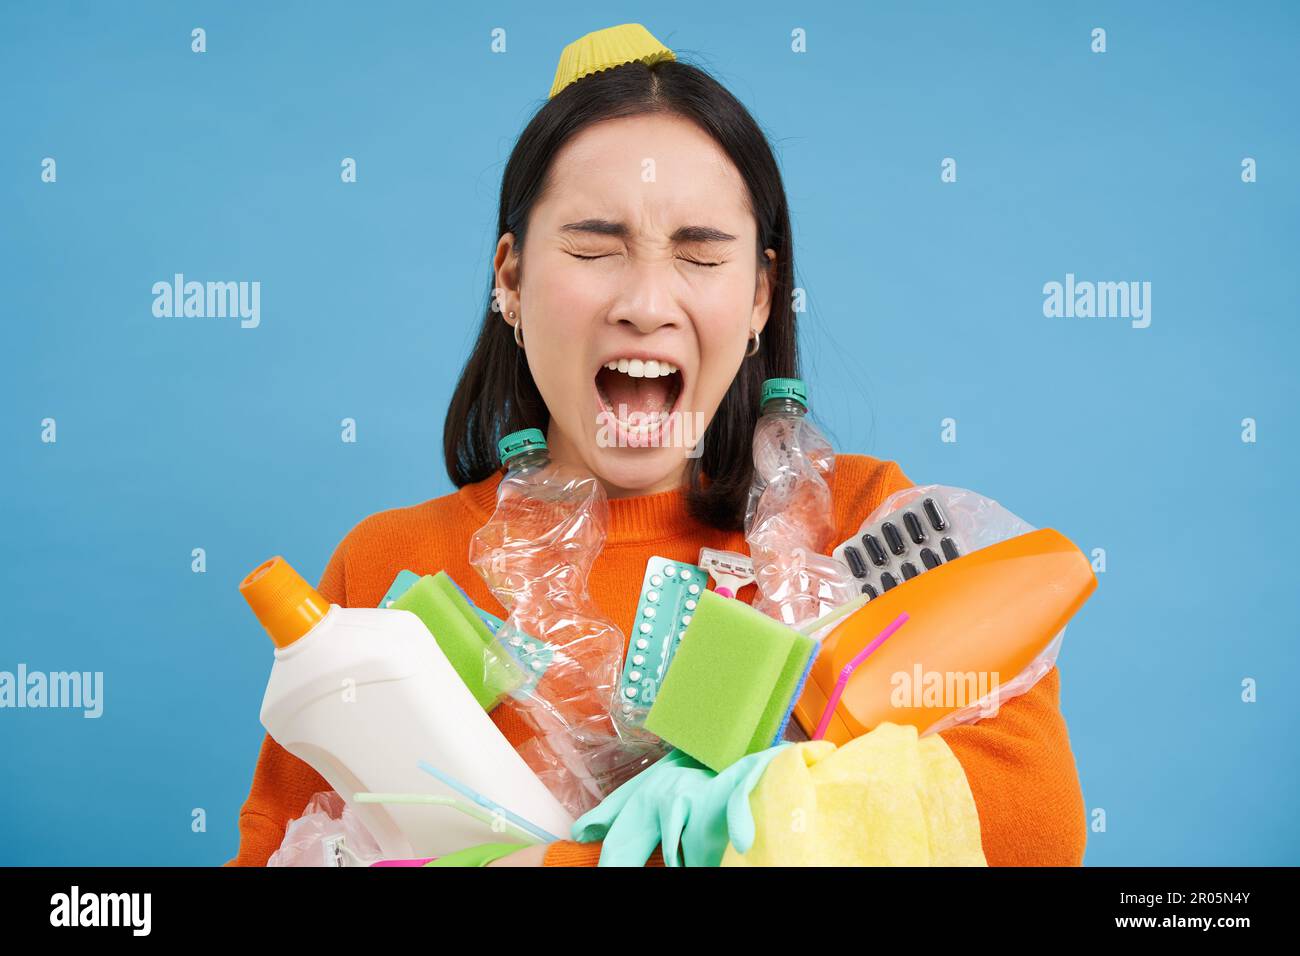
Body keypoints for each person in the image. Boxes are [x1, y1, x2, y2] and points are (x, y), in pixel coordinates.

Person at [227, 24, 1086, 868]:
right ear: (512, 280)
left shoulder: (855, 527)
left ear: (760, 298)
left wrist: (674, 836)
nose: (646, 300)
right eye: (595, 246)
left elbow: (1033, 834)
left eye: (700, 256)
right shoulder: (390, 569)